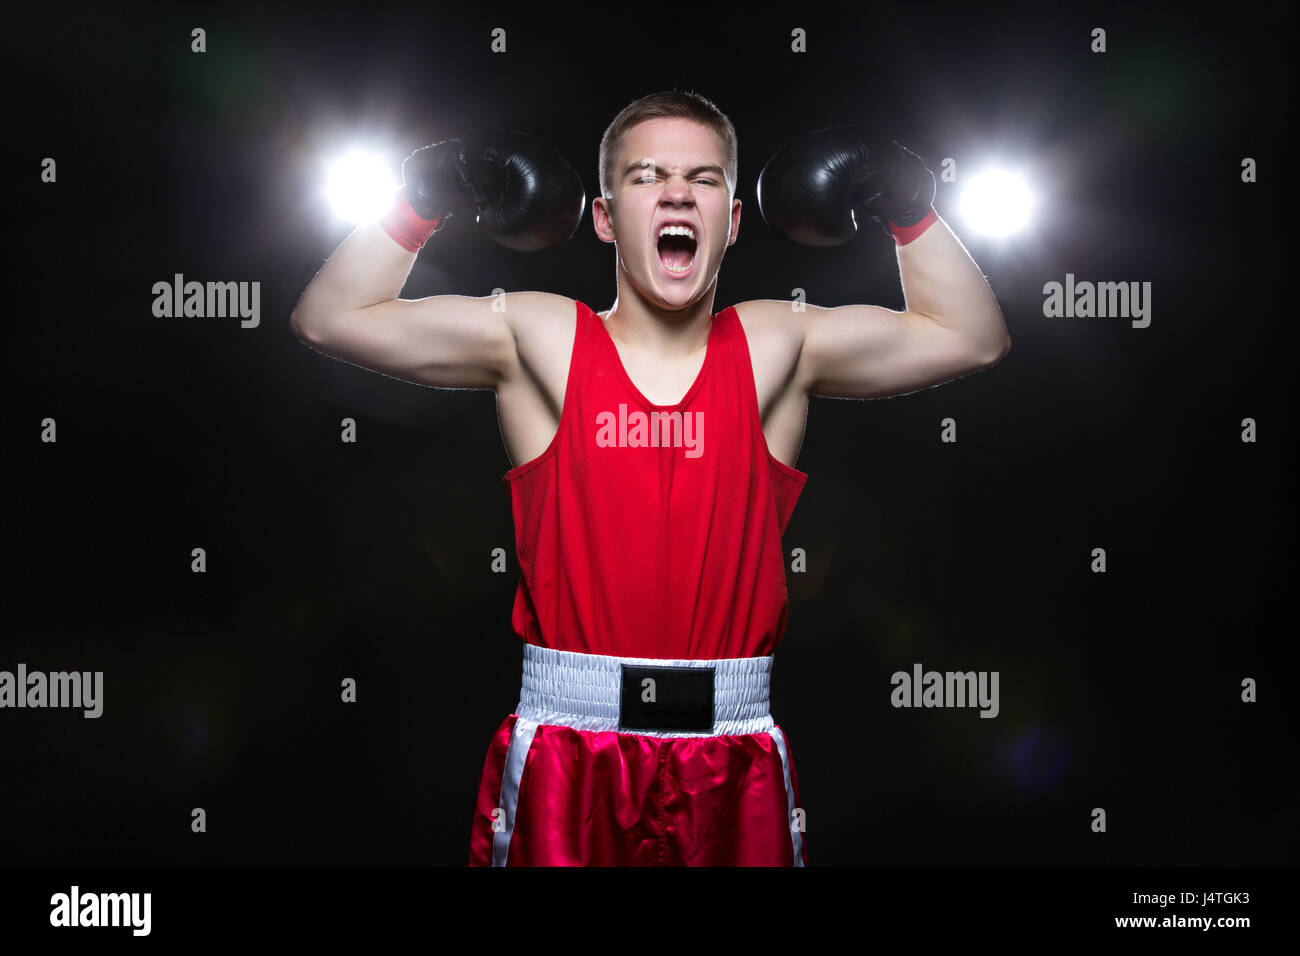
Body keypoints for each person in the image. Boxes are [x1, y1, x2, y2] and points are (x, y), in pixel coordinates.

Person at [290, 90, 1010, 866]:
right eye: (647, 176)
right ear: (604, 217)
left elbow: (972, 337)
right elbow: (330, 317)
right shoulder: (541, 336)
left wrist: (908, 205)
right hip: (570, 753)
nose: (675, 192)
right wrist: (422, 196)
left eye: (703, 179)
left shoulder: (776, 342)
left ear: (731, 222)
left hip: (733, 754)